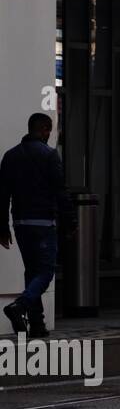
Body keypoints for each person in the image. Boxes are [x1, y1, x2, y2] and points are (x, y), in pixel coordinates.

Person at [0, 113, 74, 337]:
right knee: (45, 272)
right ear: (43, 129)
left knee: (32, 272)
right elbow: (60, 191)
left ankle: (37, 324)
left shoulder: (10, 156)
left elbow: (2, 195)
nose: (49, 135)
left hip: (20, 224)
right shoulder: (50, 156)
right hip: (43, 223)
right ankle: (20, 306)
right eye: (48, 130)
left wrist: (3, 227)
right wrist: (70, 221)